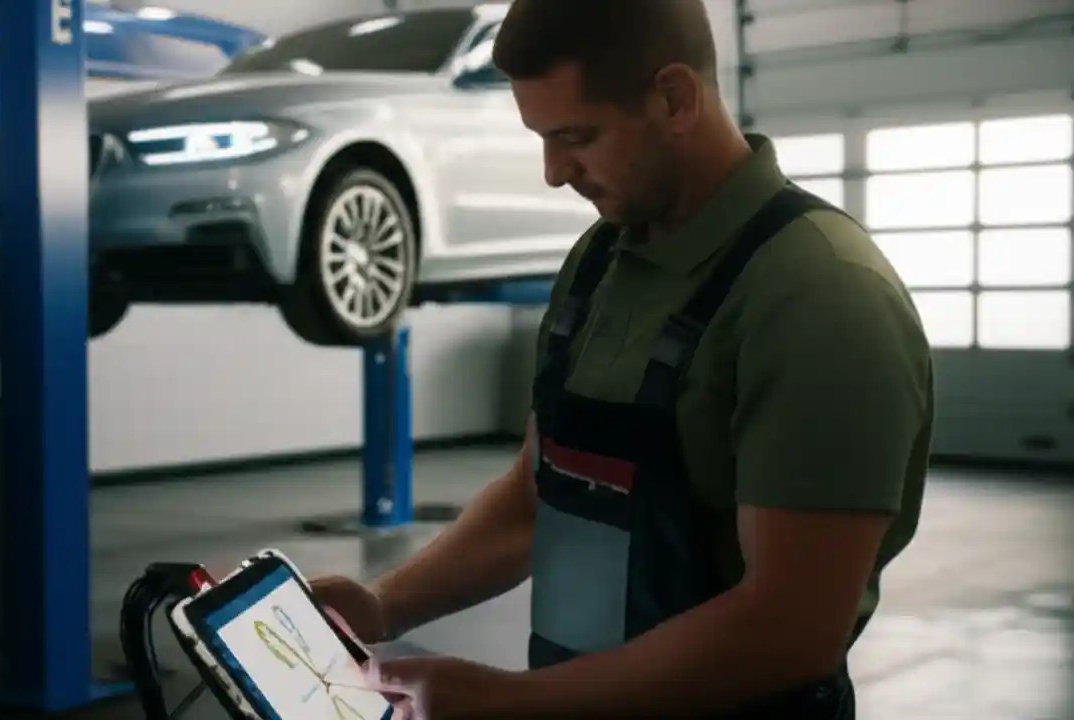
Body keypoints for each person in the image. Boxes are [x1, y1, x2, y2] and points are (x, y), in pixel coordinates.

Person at [312, 1, 934, 717]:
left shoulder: (822, 294)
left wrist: (516, 704)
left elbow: (790, 628)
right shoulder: (601, 261)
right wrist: (380, 605)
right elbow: (533, 501)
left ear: (674, 98)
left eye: (576, 136)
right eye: (541, 139)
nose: (553, 172)